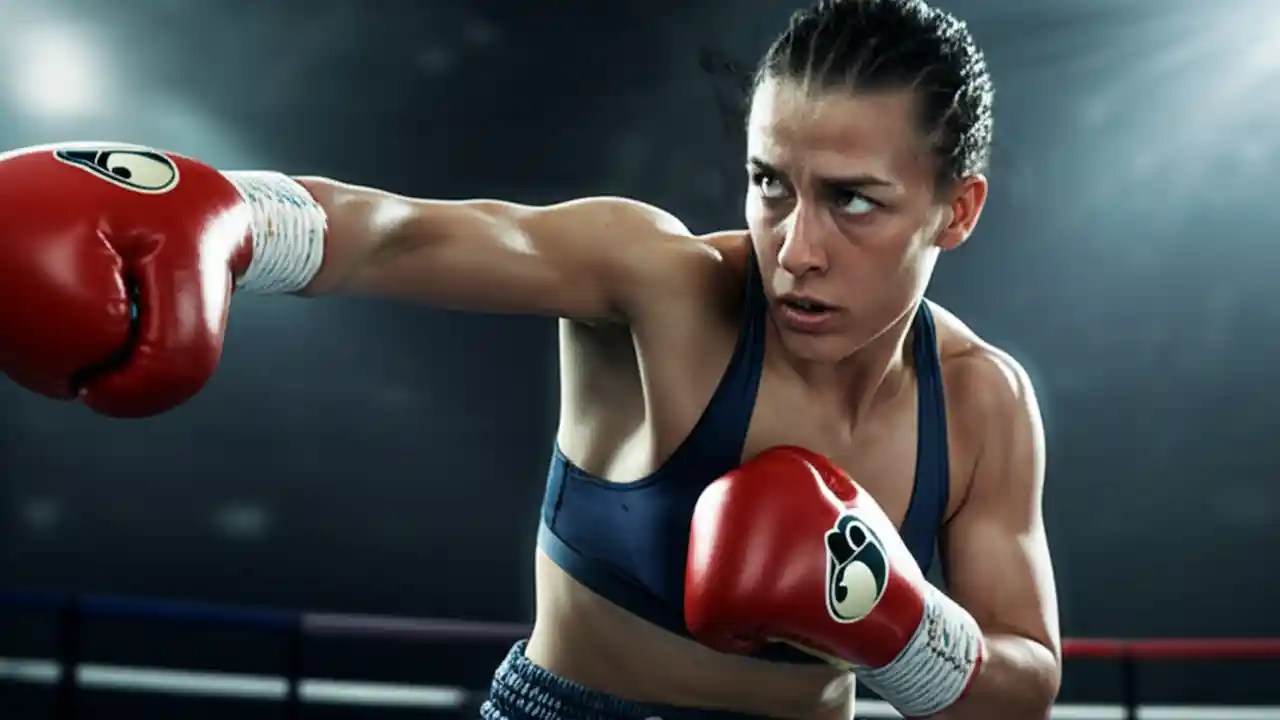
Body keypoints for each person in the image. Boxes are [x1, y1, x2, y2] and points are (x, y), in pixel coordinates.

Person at [0, 0, 1061, 718]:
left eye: (853, 200)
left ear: (953, 210)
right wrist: (229, 216)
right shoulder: (656, 283)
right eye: (769, 183)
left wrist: (899, 622)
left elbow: (1025, 683)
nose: (796, 247)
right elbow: (405, 232)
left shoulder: (982, 405)